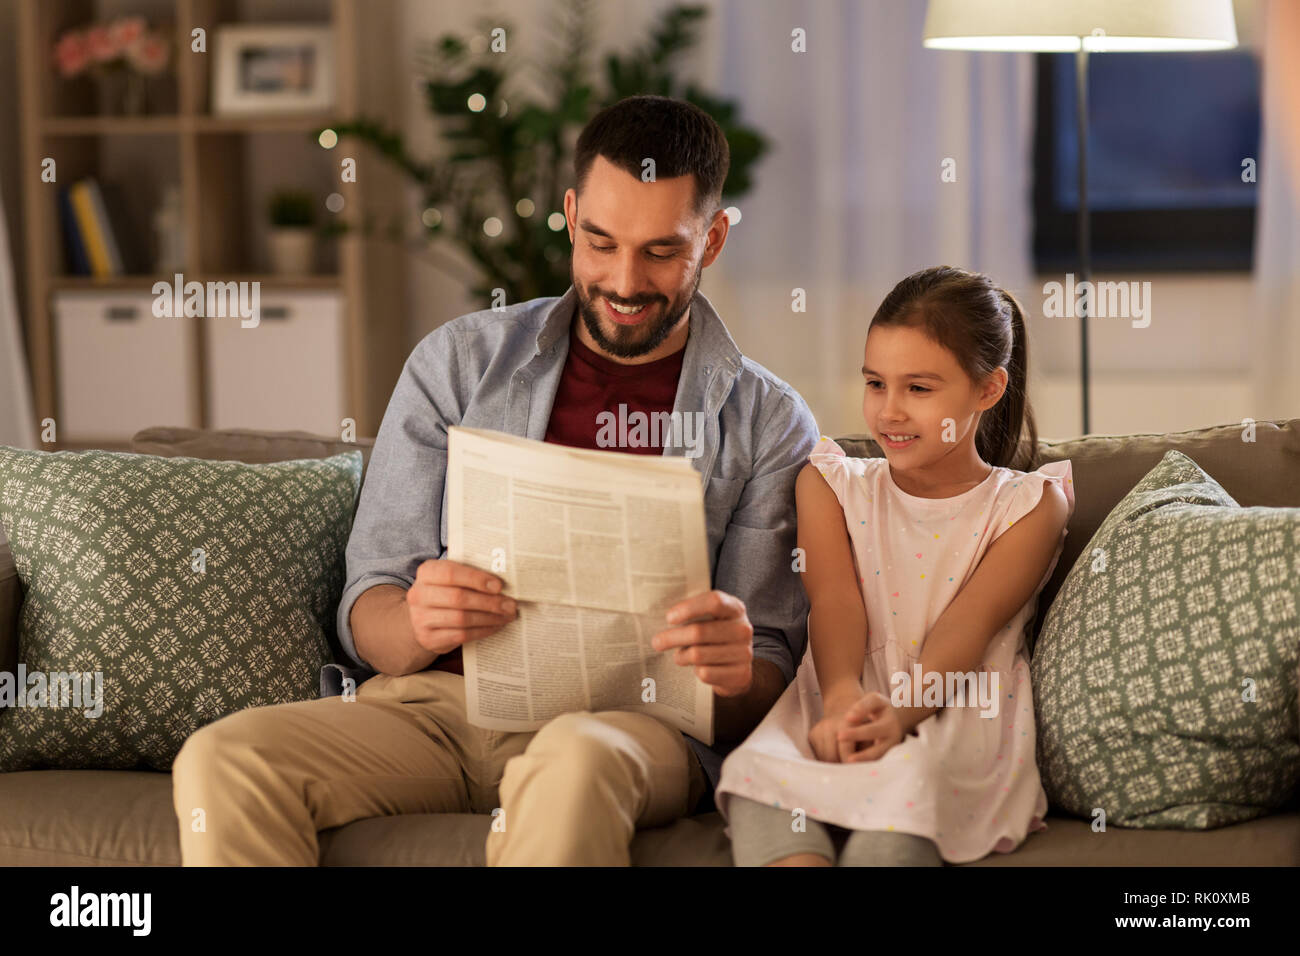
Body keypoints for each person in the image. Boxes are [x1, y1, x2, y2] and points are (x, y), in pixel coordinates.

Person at [171, 95, 819, 866]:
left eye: (660, 252)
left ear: (711, 239)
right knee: (225, 757)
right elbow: (368, 605)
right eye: (600, 242)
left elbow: (767, 675)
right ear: (571, 214)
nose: (623, 280)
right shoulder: (459, 362)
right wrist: (417, 620)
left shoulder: (768, 421)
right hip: (438, 710)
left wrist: (735, 666)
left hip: (622, 727)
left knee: (575, 762)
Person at [715, 265, 1076, 866]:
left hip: (949, 711)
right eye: (876, 383)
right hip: (838, 694)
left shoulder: (1031, 506)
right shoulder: (829, 484)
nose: (889, 411)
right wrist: (839, 703)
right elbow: (835, 602)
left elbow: (968, 628)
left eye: (919, 388)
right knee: (760, 783)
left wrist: (900, 715)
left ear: (988, 390)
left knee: (897, 820)